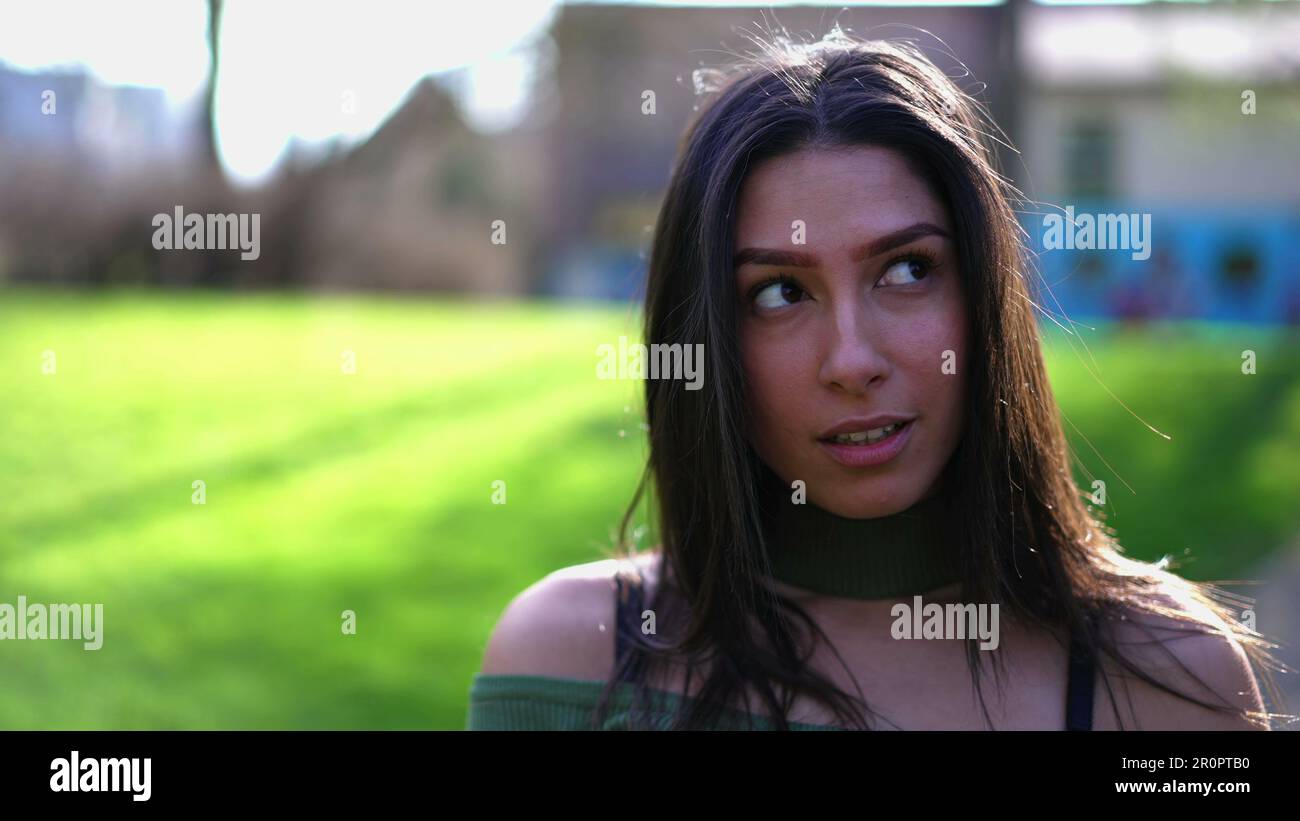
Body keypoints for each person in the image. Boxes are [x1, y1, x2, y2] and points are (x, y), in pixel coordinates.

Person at [467, 31, 1281, 730]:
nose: (852, 359)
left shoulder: (1170, 679)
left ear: (983, 295)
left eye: (906, 270)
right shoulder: (571, 664)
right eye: (779, 292)